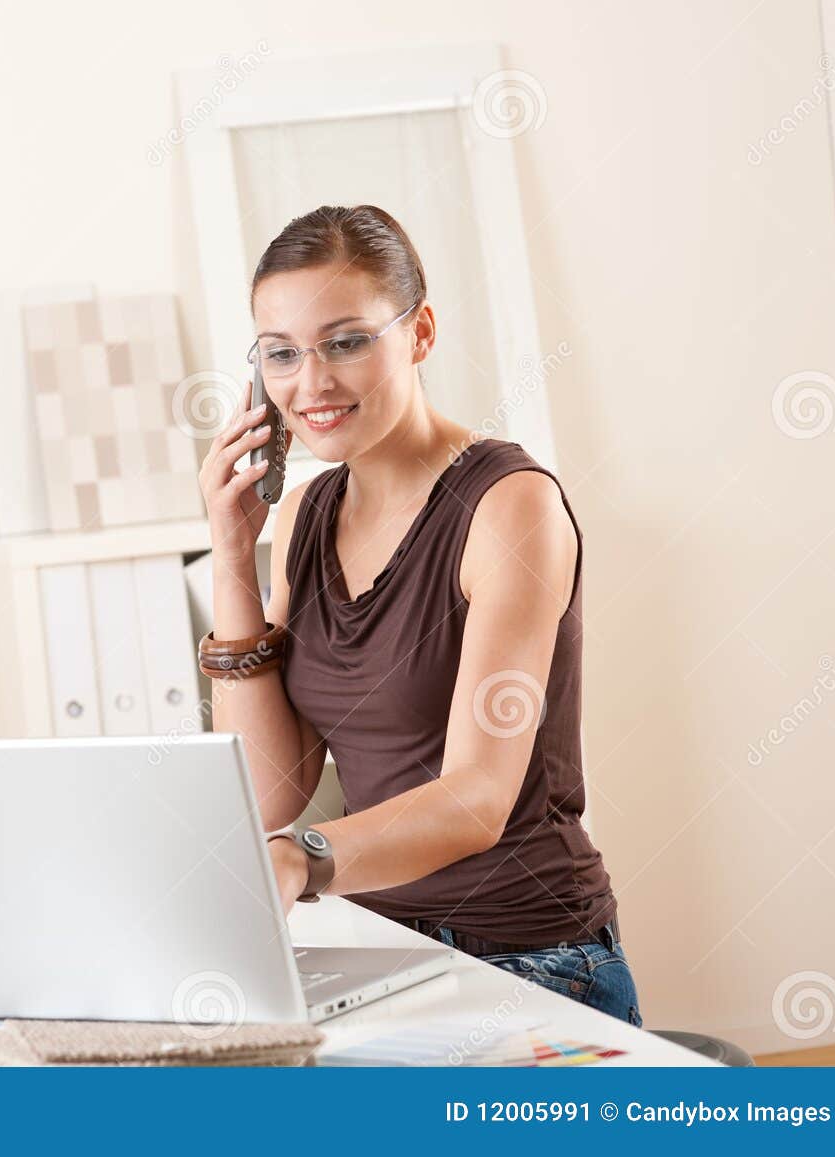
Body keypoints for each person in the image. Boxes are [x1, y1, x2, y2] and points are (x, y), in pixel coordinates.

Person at [197, 204, 641, 1026]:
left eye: (347, 341)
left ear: (421, 332)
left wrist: (303, 859)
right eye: (283, 354)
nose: (313, 383)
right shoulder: (301, 517)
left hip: (536, 959)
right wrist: (230, 560)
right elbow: (269, 792)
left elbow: (476, 796)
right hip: (387, 947)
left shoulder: (510, 506)